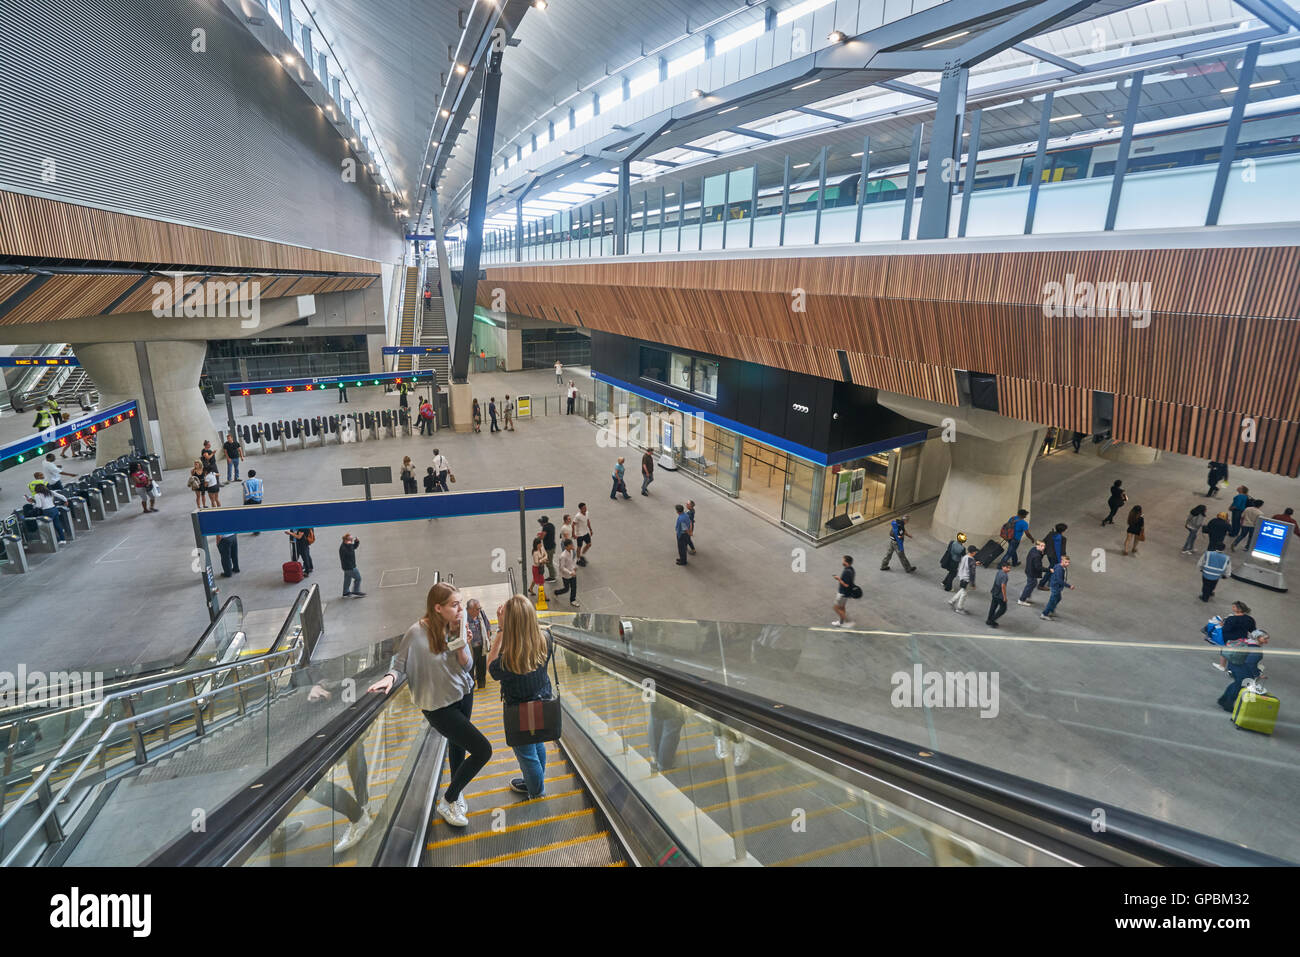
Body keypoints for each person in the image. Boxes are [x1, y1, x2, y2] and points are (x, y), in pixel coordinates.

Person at [368, 583, 489, 828]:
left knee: (458, 747)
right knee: (483, 750)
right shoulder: (416, 632)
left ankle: (456, 795)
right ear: (437, 607)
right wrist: (390, 678)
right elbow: (400, 664)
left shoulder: (454, 627)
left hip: (463, 693)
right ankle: (448, 800)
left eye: (460, 603)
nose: (460, 609)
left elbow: (466, 667)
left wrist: (462, 645)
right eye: (454, 604)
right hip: (437, 706)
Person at [487, 595, 554, 800]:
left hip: (519, 710)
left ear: (511, 624)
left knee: (526, 755)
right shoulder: (546, 638)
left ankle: (537, 792)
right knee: (537, 743)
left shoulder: (508, 659)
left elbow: (490, 666)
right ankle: (535, 781)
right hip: (542, 700)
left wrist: (500, 630)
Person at [1216, 631, 1267, 713]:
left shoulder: (1246, 641)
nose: (1266, 640)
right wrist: (1257, 674)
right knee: (1238, 687)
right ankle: (1227, 704)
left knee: (1235, 684)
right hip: (1242, 670)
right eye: (1264, 638)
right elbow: (1250, 663)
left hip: (1232, 665)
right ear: (1258, 638)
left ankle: (1223, 700)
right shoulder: (1256, 650)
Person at [1210, 601, 1256, 672]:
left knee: (1225, 651)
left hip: (1230, 639)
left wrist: (1222, 625)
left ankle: (1222, 666)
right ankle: (1233, 669)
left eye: (1234, 607)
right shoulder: (1250, 619)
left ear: (1239, 609)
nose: (1232, 608)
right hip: (1242, 639)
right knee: (1237, 655)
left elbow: (1226, 629)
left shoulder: (1231, 619)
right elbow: (1253, 630)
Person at [465, 598, 493, 691]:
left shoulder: (481, 613)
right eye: (477, 609)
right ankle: (471, 689)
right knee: (470, 669)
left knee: (482, 667)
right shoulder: (464, 617)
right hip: (470, 648)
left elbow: (487, 625)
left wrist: (488, 639)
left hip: (481, 646)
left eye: (479, 608)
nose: (479, 610)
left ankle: (482, 686)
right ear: (470, 609)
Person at [1040, 556, 1074, 621]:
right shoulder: (1059, 569)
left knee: (1058, 598)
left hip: (1056, 586)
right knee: (1052, 601)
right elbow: (1059, 580)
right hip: (1056, 587)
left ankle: (1051, 611)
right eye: (1066, 562)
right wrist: (1069, 586)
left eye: (1068, 562)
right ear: (1062, 561)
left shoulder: (1062, 567)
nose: (1067, 564)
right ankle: (1044, 614)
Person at [946, 546, 979, 614]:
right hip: (967, 578)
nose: (976, 553)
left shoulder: (965, 557)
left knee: (963, 590)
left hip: (962, 576)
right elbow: (972, 573)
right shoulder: (971, 560)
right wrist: (973, 584)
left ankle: (952, 601)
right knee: (964, 593)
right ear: (972, 552)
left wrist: (974, 564)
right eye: (975, 551)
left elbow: (966, 565)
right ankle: (959, 608)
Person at [1039, 524, 1068, 588]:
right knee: (1051, 570)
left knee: (1052, 567)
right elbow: (1063, 550)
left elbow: (1044, 541)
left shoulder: (1050, 534)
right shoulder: (1063, 539)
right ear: (1063, 531)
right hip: (1056, 557)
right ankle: (1041, 584)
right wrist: (1064, 559)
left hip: (1049, 554)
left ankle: (1050, 580)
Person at [831, 555, 856, 628]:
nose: (842, 561)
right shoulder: (851, 569)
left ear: (846, 562)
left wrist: (838, 579)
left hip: (842, 593)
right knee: (842, 608)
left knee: (835, 608)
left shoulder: (847, 572)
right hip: (846, 593)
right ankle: (841, 622)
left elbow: (846, 585)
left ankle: (848, 622)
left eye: (843, 560)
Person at [554, 538, 580, 607]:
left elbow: (573, 560)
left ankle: (573, 600)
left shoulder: (571, 552)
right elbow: (561, 567)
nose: (572, 545)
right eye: (570, 545)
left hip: (572, 573)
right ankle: (556, 592)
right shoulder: (563, 556)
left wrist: (574, 568)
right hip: (566, 575)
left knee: (574, 587)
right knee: (566, 589)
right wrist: (570, 573)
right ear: (566, 546)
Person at [986, 559, 1011, 628]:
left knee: (993, 607)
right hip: (1000, 595)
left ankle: (989, 619)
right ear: (1003, 567)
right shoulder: (1005, 576)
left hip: (994, 591)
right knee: (1003, 608)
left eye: (1009, 568)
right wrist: (1004, 597)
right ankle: (992, 620)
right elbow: (1003, 586)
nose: (1009, 569)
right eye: (1007, 567)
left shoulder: (999, 572)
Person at [339, 534, 365, 598]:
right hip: (350, 567)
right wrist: (350, 545)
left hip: (346, 567)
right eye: (350, 539)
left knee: (347, 579)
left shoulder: (347, 545)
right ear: (345, 540)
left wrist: (356, 542)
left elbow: (354, 547)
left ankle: (345, 592)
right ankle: (356, 591)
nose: (351, 541)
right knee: (358, 578)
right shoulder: (343, 548)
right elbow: (350, 553)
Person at [538, 515, 557, 582]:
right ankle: (553, 574)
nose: (540, 523)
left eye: (540, 522)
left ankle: (552, 577)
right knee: (549, 561)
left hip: (549, 548)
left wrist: (538, 537)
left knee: (549, 563)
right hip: (552, 545)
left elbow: (542, 537)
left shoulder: (545, 528)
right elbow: (548, 533)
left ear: (542, 522)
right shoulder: (551, 525)